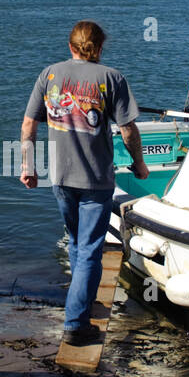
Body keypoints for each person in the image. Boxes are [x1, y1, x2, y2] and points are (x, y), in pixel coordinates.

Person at [19, 21, 149, 346]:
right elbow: (129, 129)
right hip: (96, 178)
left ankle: (83, 301)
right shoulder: (111, 78)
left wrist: (27, 165)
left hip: (60, 177)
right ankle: (76, 323)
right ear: (100, 47)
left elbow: (28, 124)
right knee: (91, 248)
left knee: (78, 242)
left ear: (70, 46)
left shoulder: (49, 74)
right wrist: (140, 163)